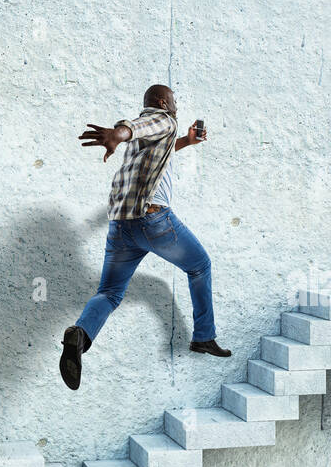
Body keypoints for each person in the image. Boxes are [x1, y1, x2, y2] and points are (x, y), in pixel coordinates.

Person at [59, 84, 231, 391]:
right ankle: (204, 337)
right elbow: (135, 126)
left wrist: (187, 142)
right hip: (153, 221)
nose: (176, 106)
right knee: (200, 266)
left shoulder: (149, 142)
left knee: (109, 293)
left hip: (121, 227)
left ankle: (80, 334)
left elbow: (151, 142)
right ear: (164, 101)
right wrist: (117, 132)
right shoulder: (163, 119)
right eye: (174, 101)